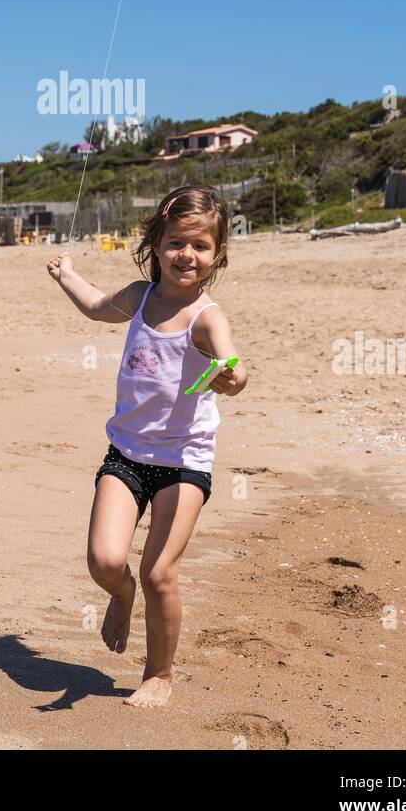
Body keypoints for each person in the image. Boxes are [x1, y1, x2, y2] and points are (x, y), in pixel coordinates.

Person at [47, 185, 248, 709]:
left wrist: (231, 376)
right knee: (104, 560)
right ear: (156, 245)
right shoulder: (139, 297)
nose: (189, 255)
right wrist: (67, 274)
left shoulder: (207, 317)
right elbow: (96, 307)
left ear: (216, 255)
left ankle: (159, 673)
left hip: (183, 464)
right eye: (178, 243)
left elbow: (233, 362)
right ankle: (120, 594)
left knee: (160, 570)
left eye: (201, 247)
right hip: (127, 455)